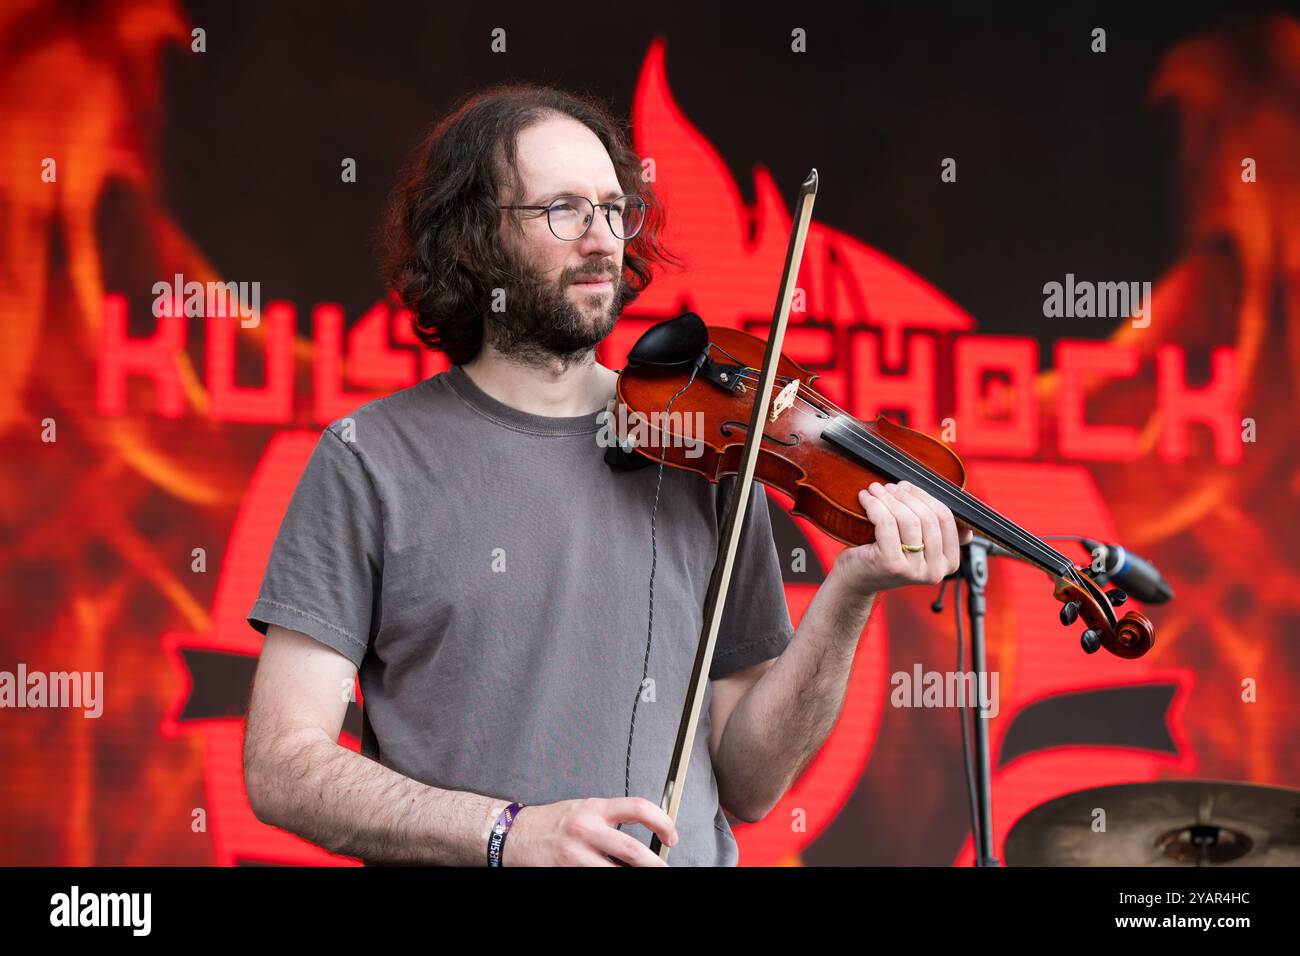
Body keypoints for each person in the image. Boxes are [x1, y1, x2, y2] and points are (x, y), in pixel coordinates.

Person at [242, 82, 970, 867]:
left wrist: (851, 590)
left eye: (614, 209)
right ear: (472, 240)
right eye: (563, 211)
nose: (602, 240)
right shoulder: (368, 459)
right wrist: (507, 834)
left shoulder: (704, 448)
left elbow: (751, 783)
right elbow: (283, 765)